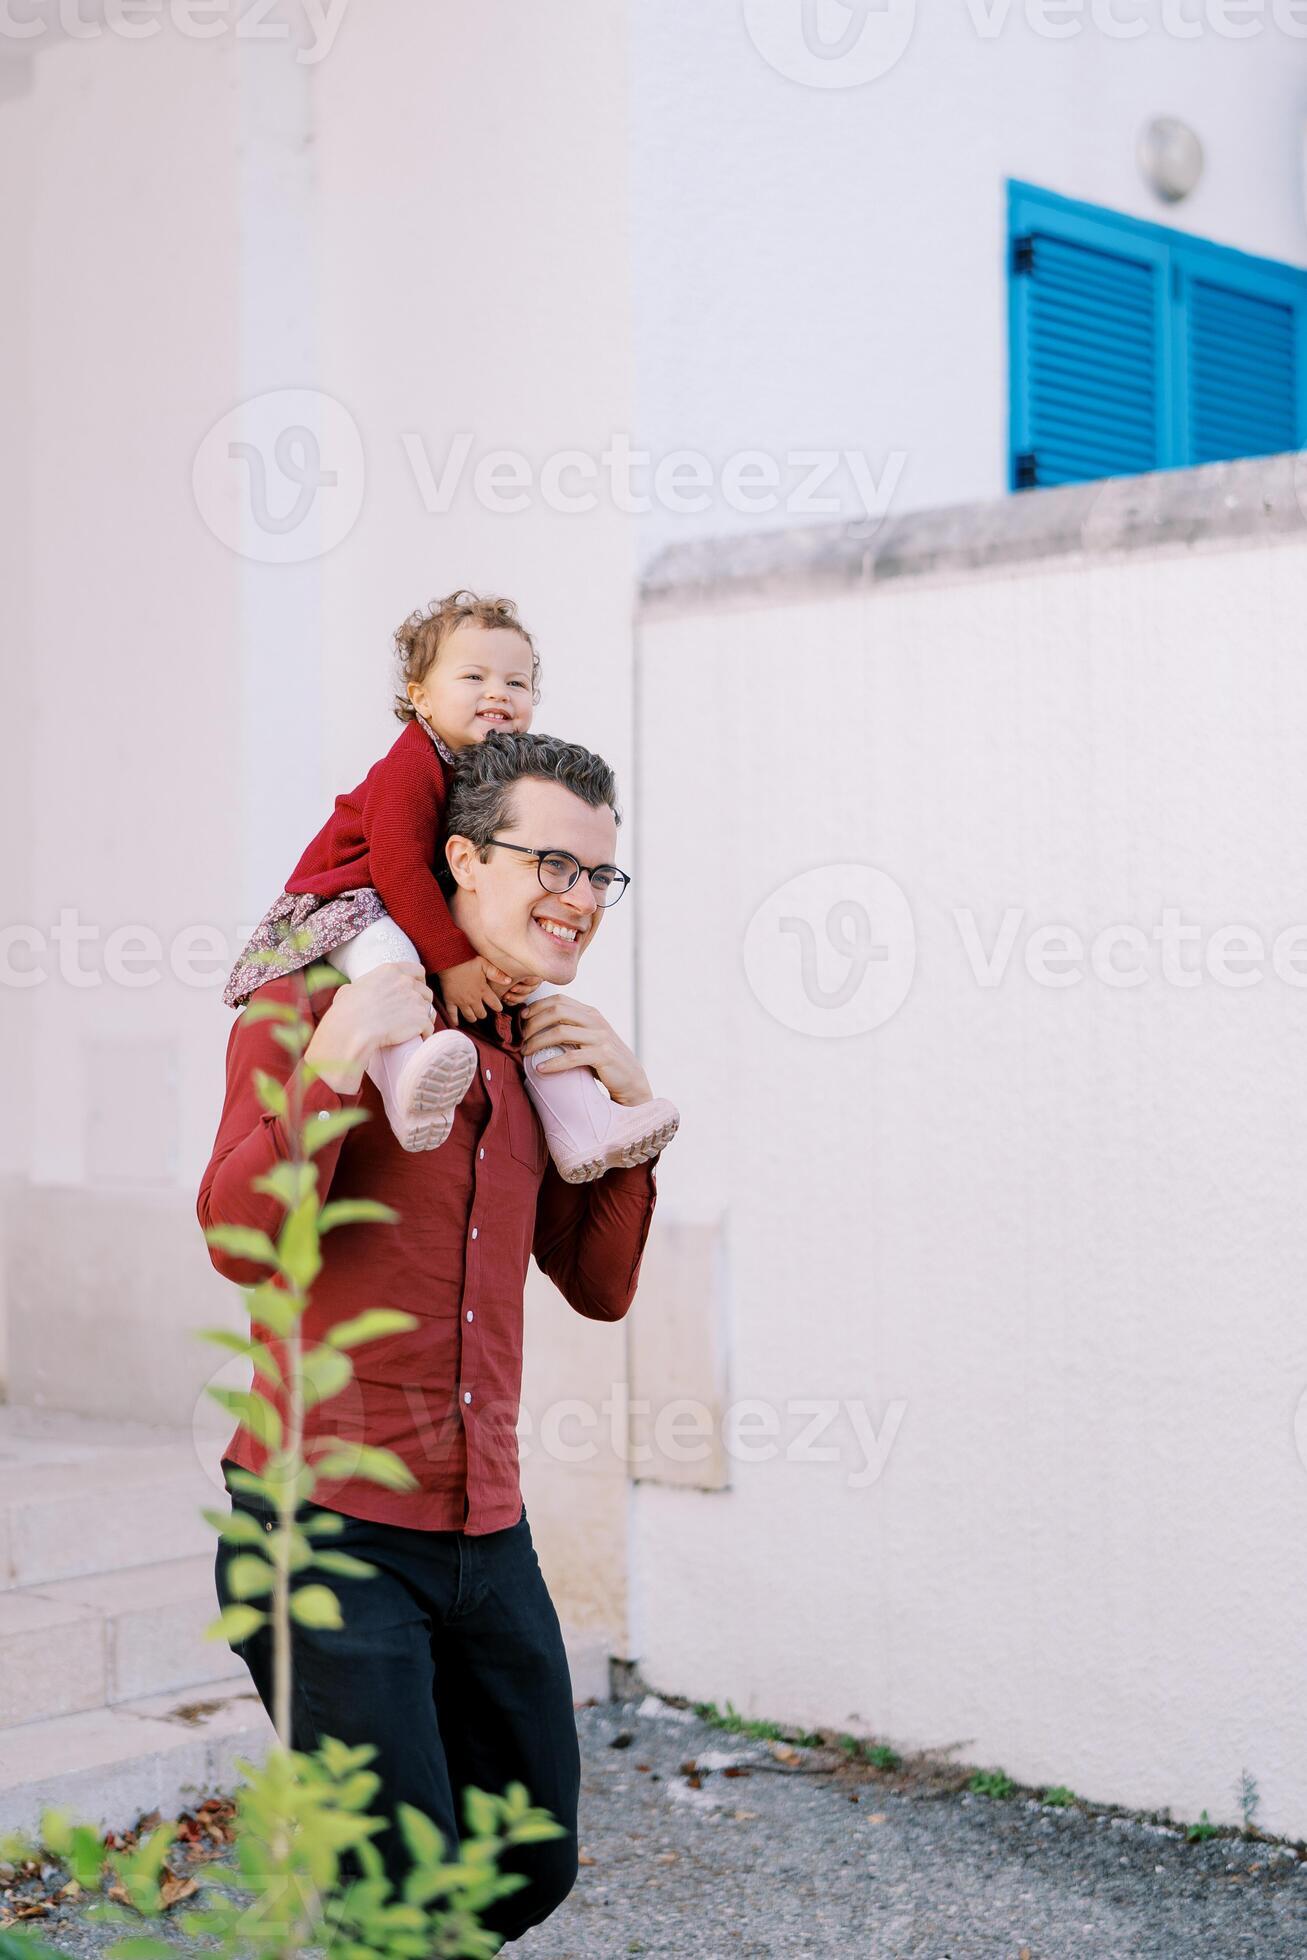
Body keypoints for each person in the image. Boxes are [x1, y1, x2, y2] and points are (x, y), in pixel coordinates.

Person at [199, 729, 667, 1947]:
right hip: (324, 1528)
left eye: (597, 876)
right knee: (393, 1903)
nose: (577, 901)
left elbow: (600, 1285)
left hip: (482, 1528)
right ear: (459, 854)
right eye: (550, 865)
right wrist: (339, 1068)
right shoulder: (317, 1003)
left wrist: (628, 1115)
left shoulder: (530, 1053)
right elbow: (240, 1235)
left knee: (528, 1859)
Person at [221, 590, 678, 1179]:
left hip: (403, 903)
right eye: (474, 676)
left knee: (534, 999)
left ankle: (583, 1123)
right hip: (348, 902)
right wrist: (456, 964)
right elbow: (398, 871)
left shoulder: (482, 776)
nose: (498, 693)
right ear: (421, 699)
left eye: (517, 683)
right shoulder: (409, 765)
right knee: (392, 967)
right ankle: (409, 1074)